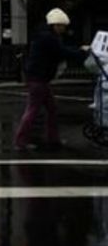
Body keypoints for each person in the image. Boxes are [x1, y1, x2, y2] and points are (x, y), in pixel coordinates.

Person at [14, 8, 90, 150]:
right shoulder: (49, 38)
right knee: (33, 110)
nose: (63, 29)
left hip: (38, 77)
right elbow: (62, 52)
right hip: (39, 79)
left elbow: (60, 51)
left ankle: (52, 138)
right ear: (55, 25)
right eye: (62, 26)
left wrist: (79, 50)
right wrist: (81, 52)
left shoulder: (44, 36)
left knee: (50, 108)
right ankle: (22, 141)